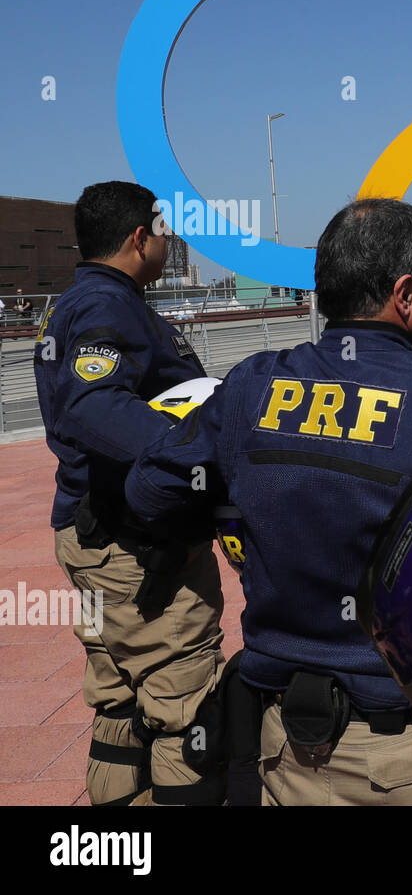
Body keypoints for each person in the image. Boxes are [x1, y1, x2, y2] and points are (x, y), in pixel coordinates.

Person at [125, 197, 412, 806]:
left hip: (281, 748)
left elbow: (151, 490)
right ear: (404, 295)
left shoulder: (250, 384)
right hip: (410, 752)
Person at [33, 180, 226, 806]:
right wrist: (192, 452)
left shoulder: (86, 301)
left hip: (93, 533)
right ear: (139, 238)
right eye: (163, 229)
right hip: (134, 548)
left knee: (118, 698)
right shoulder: (105, 307)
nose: (168, 240)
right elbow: (92, 406)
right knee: (186, 708)